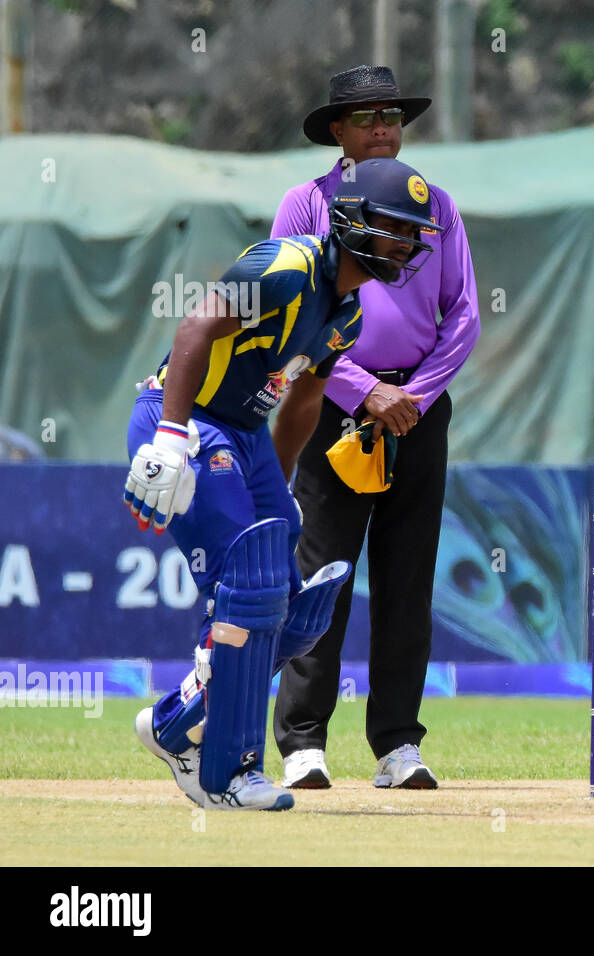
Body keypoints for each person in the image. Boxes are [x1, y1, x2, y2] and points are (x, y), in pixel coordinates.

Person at [127, 156, 441, 810]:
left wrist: (281, 490)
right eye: (396, 228)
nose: (407, 245)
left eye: (415, 234)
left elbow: (301, 404)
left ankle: (176, 722)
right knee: (250, 579)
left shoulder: (347, 314)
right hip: (186, 417)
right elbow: (196, 327)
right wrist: (170, 437)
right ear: (352, 220)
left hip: (242, 436)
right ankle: (229, 772)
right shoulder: (286, 266)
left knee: (297, 604)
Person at [269, 65, 481, 791]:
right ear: (338, 131)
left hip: (417, 411)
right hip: (330, 401)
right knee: (321, 573)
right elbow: (289, 312)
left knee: (408, 579)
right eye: (366, 117)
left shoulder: (436, 204)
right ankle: (302, 743)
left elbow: (464, 314)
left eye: (393, 114)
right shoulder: (306, 204)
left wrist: (414, 396)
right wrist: (362, 392)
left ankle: (398, 745)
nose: (385, 127)